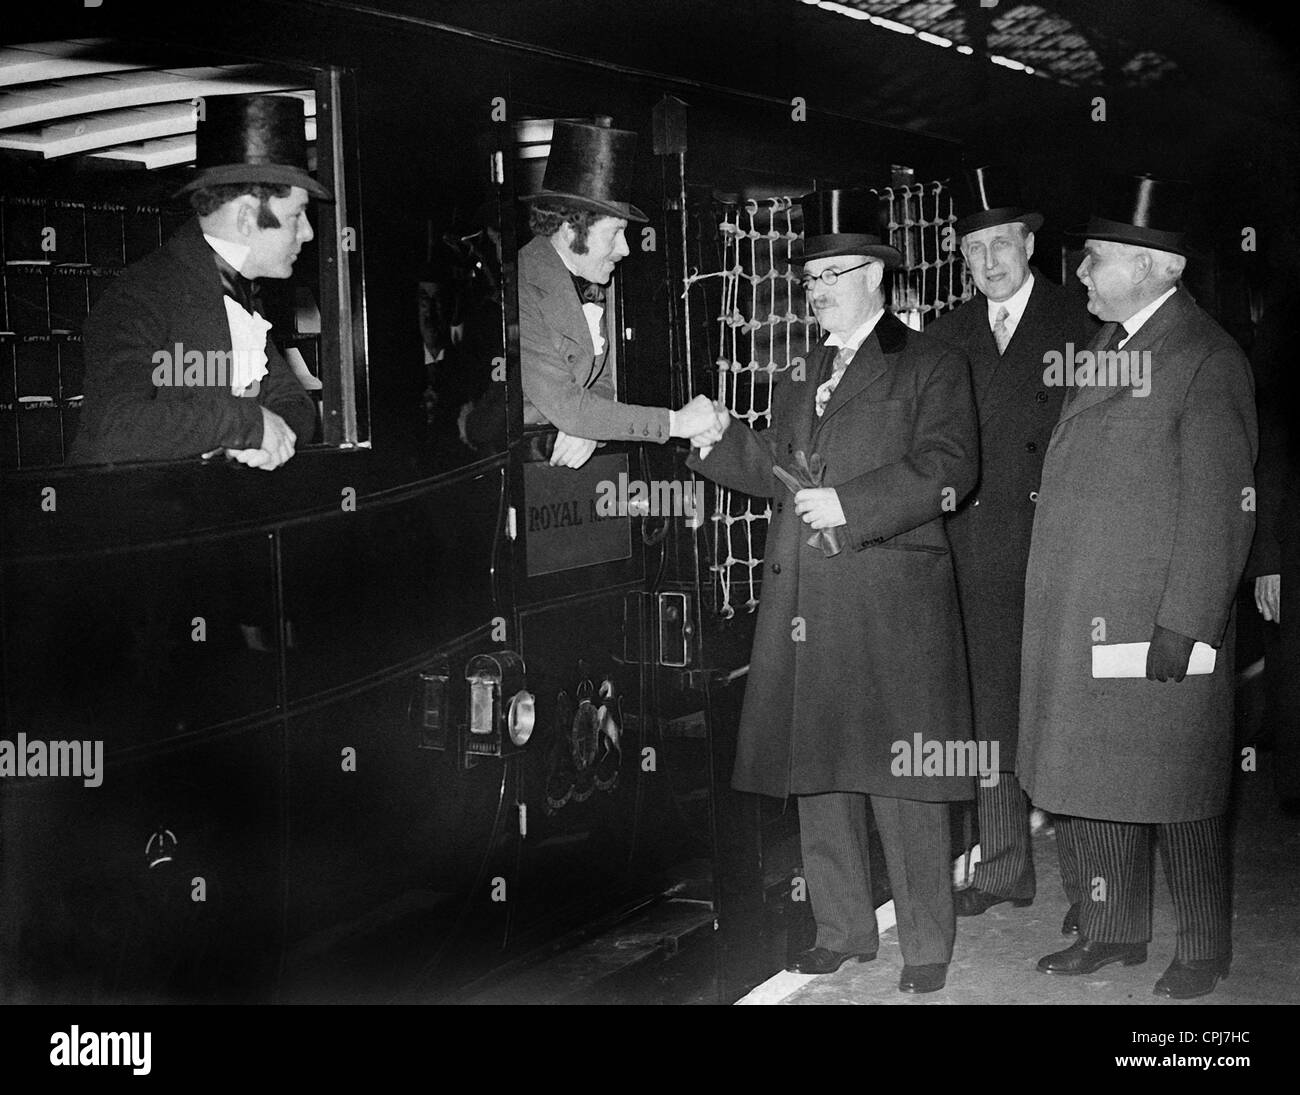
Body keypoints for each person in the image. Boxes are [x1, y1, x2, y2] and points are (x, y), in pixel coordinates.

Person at [688, 188, 979, 993]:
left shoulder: (930, 363)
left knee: (903, 778)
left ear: (878, 276)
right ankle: (843, 927)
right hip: (809, 601)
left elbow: (952, 468)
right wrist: (719, 444)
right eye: (809, 277)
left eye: (832, 274)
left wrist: (853, 505)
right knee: (819, 769)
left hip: (891, 602)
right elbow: (782, 477)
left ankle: (925, 945)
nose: (816, 290)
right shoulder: (797, 373)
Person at [1018, 175, 1257, 999]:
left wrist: (1187, 622)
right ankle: (1113, 928)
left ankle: (1202, 948)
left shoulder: (1205, 357)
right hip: (1084, 615)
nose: (1079, 274)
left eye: (1095, 260)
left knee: (1179, 792)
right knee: (1094, 785)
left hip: (1154, 620)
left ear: (1156, 267)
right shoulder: (1111, 345)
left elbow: (1221, 503)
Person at [925, 165, 1095, 929]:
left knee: (1068, 721)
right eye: (972, 249)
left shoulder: (1078, 322)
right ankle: (1002, 865)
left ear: (1029, 243)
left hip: (1055, 549)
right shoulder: (946, 336)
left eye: (1000, 244)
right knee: (989, 714)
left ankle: (1096, 890)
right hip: (974, 551)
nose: (988, 261)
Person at [69, 94, 323, 468]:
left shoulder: (237, 290)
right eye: (297, 215)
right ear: (247, 218)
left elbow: (292, 402)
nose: (308, 233)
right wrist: (245, 425)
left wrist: (268, 435)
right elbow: (114, 427)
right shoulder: (141, 295)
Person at [505, 119, 717, 465]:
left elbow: (603, 381)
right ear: (572, 227)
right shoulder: (520, 284)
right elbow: (567, 404)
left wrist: (588, 427)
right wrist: (677, 422)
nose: (625, 249)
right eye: (615, 232)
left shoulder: (591, 278)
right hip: (515, 464)